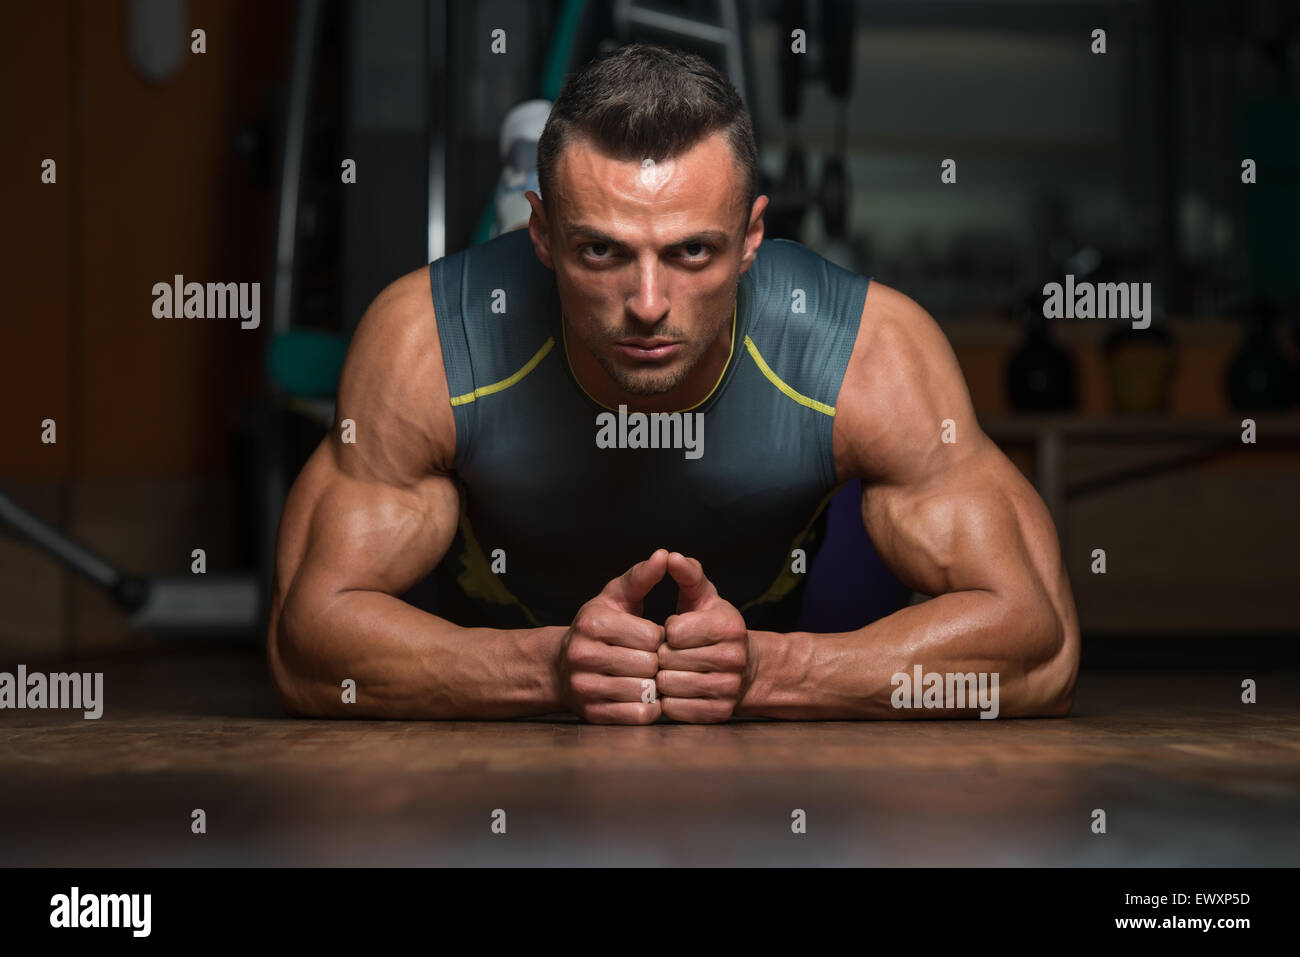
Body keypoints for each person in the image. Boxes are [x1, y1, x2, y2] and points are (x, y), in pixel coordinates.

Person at [267, 43, 1079, 724]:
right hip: (501, 638)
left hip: (779, 618)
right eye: (601, 251)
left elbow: (1037, 644)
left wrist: (774, 672)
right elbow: (306, 641)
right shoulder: (428, 341)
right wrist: (546, 666)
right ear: (543, 235)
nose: (648, 306)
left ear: (753, 235)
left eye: (693, 251)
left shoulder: (867, 348)